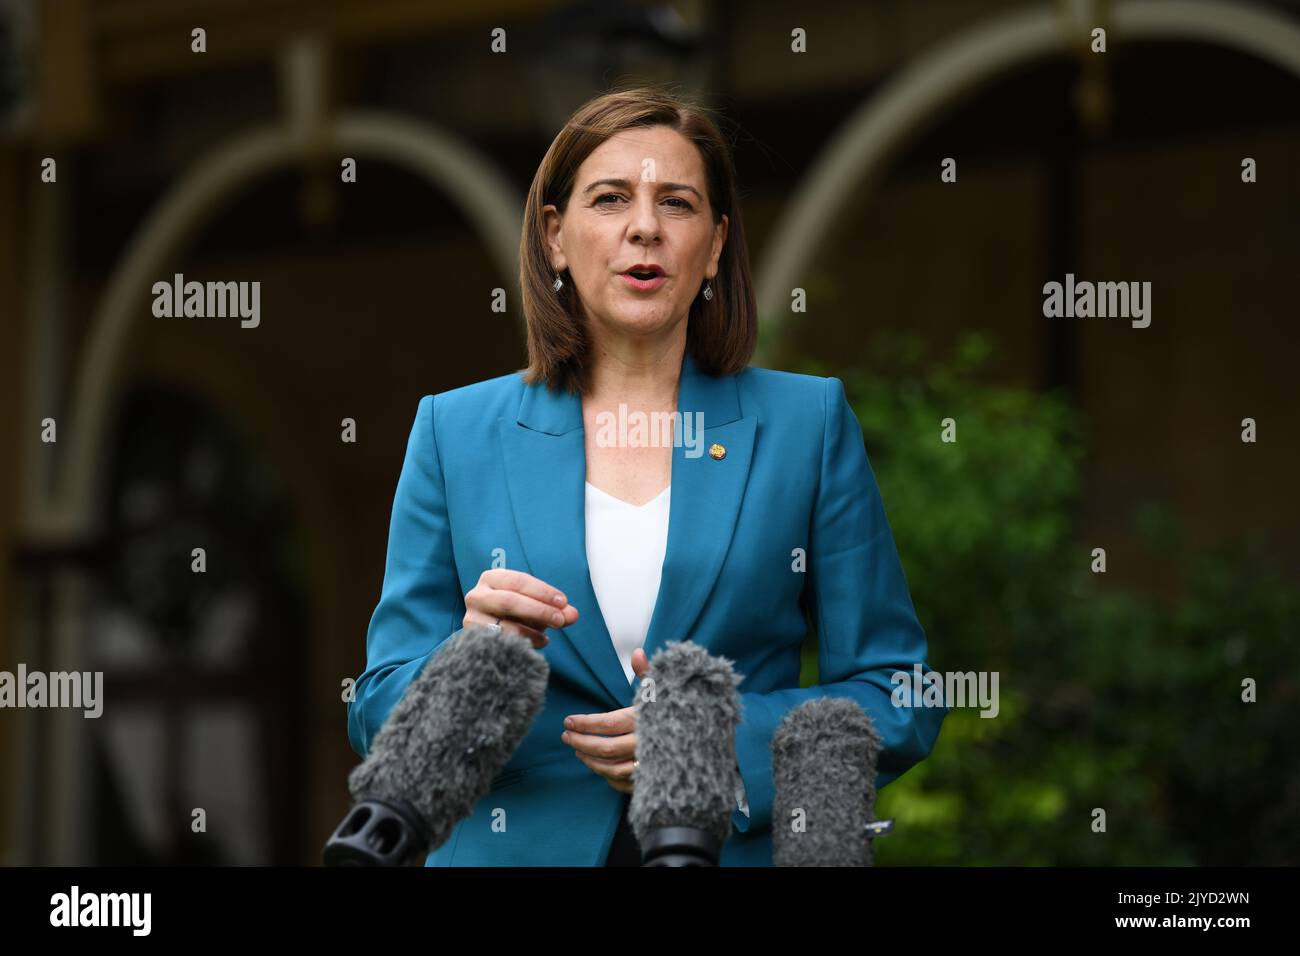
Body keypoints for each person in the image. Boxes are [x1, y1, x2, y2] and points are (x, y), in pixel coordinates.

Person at [346, 85, 947, 866]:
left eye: (677, 203)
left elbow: (899, 693)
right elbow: (374, 705)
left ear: (717, 243)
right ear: (556, 237)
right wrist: (466, 657)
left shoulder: (809, 424)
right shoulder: (454, 432)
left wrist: (717, 741)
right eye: (609, 199)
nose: (644, 228)